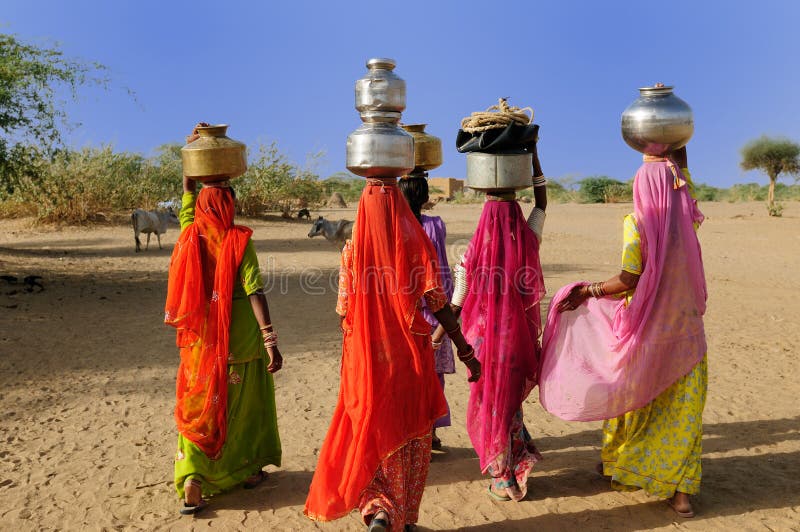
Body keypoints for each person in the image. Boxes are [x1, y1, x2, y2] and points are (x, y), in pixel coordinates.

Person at [304, 176, 481, 532]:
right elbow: (439, 303)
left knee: (371, 428)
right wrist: (464, 350)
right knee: (409, 432)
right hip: (409, 356)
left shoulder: (351, 250)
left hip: (365, 359)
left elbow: (344, 310)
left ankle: (378, 509)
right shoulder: (415, 243)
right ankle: (399, 514)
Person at [546, 147, 707, 518]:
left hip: (647, 330)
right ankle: (681, 494)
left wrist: (587, 291)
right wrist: (675, 146)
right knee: (683, 415)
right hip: (686, 331)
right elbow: (683, 178)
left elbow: (628, 279)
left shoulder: (636, 222)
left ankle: (622, 464)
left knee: (635, 397)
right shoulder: (687, 219)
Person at [164, 123, 283, 515]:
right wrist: (270, 339)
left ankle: (194, 478)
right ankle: (246, 470)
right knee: (242, 408)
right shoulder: (239, 241)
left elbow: (186, 195)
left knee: (201, 405)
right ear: (229, 205)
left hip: (200, 342)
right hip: (242, 343)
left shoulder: (188, 233)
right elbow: (254, 291)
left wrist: (191, 154)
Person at [432, 139, 548, 502]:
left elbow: (455, 306)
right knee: (509, 403)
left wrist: (436, 336)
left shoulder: (471, 256)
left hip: (481, 345)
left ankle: (502, 478)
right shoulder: (529, 237)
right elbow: (542, 202)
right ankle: (513, 468)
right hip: (517, 341)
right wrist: (532, 155)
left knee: (489, 405)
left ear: (484, 221)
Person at [398, 176, 454, 450]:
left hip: (404, 315)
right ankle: (430, 433)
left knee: (408, 377)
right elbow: (441, 267)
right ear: (424, 197)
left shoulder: (395, 226)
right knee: (433, 377)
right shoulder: (435, 225)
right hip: (435, 315)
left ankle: (414, 434)